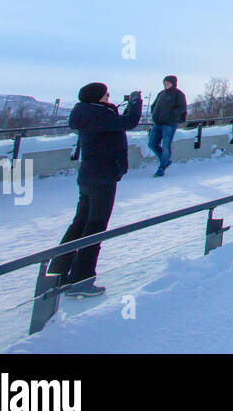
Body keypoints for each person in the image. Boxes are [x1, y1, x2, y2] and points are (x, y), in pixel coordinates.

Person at [50, 83, 142, 296]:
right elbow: (129, 122)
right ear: (98, 98)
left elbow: (116, 124)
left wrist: (120, 107)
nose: (109, 97)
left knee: (79, 224)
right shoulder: (98, 115)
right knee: (95, 227)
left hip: (89, 176)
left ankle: (57, 273)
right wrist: (136, 103)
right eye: (106, 95)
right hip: (103, 177)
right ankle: (81, 281)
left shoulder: (87, 113)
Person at [147, 74, 187, 177]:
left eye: (168, 82)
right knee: (151, 144)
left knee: (165, 146)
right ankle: (165, 161)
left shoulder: (179, 94)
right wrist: (154, 114)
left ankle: (161, 168)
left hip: (169, 124)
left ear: (173, 83)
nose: (165, 84)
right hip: (158, 123)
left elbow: (182, 108)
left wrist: (171, 115)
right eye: (164, 82)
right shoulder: (161, 93)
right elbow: (154, 105)